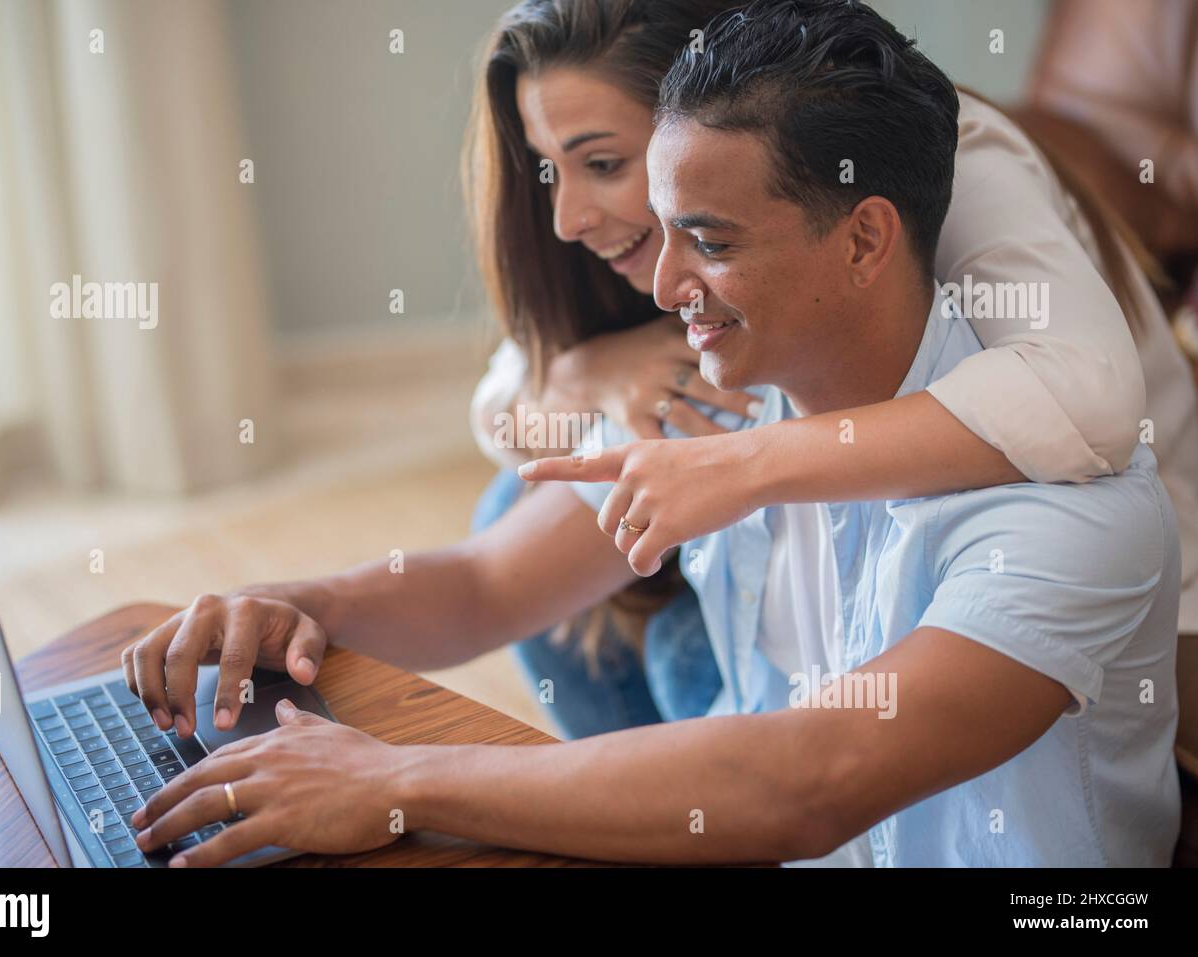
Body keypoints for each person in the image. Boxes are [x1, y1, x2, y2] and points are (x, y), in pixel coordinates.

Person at [123, 0, 1180, 867]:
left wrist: (395, 780)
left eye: (707, 241)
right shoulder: (741, 382)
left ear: (863, 240)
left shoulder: (1062, 505)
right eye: (665, 229)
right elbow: (489, 584)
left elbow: (807, 784)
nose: (663, 285)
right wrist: (297, 605)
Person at [463, 0, 1198, 744]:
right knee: (520, 505)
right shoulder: (621, 224)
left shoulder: (950, 161)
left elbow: (1088, 401)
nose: (567, 219)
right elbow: (498, 404)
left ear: (708, 106)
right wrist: (589, 369)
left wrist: (742, 465)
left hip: (1116, 590)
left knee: (684, 650)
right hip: (869, 521)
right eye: (549, 169)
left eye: (604, 164)